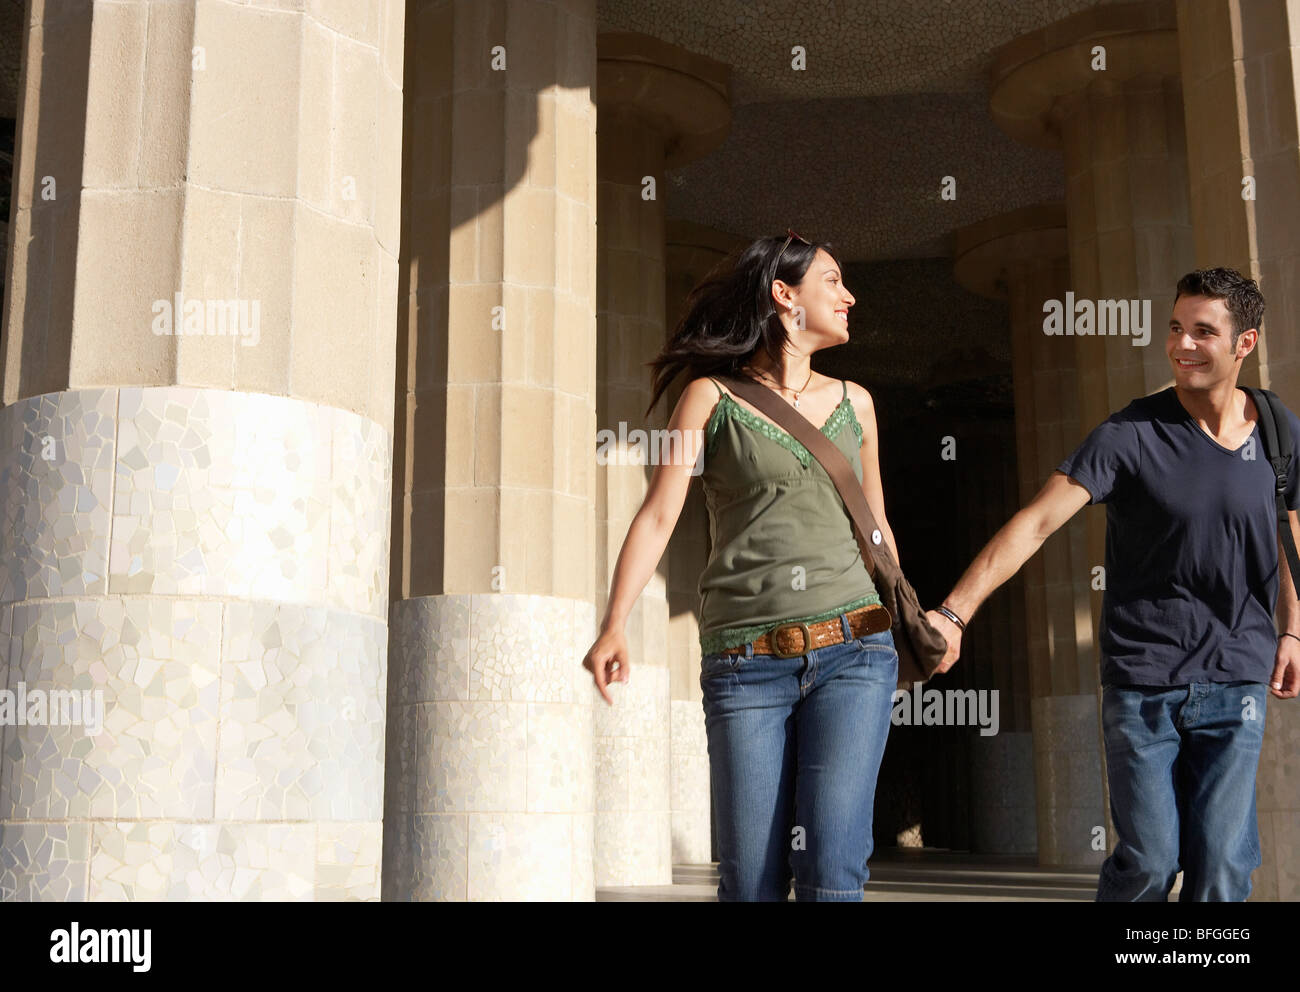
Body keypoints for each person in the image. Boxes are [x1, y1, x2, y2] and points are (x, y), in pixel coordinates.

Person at [924, 267, 1300, 901]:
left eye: (1203, 332)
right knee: (1151, 863)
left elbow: (1291, 532)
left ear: (1245, 344)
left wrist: (1292, 627)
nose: (1181, 345)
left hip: (1238, 672)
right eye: (1176, 328)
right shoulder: (1129, 435)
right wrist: (953, 613)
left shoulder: (1277, 431)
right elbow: (1036, 522)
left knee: (1223, 867)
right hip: (1144, 676)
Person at [581, 231, 900, 901]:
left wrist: (914, 618)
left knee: (834, 869)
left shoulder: (857, 403)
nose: (850, 295)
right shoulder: (710, 398)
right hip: (745, 662)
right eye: (832, 281)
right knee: (751, 882)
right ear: (785, 296)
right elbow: (659, 515)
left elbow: (877, 528)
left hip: (855, 651)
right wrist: (615, 624)